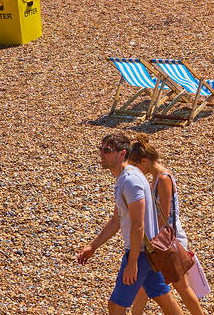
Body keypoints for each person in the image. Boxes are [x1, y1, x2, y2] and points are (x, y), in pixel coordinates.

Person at [76, 133, 184, 315]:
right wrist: (92, 247)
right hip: (149, 252)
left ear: (122, 154)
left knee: (116, 306)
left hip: (141, 254)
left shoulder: (130, 181)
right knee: (165, 300)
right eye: (101, 149)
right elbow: (116, 220)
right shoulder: (124, 178)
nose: (102, 154)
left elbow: (138, 225)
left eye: (108, 150)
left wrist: (132, 262)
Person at [127, 135, 206, 315]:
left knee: (181, 287)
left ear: (145, 161)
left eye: (135, 166)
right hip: (163, 239)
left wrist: (151, 241)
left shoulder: (163, 178)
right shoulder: (156, 177)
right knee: (144, 285)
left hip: (168, 240)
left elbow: (164, 214)